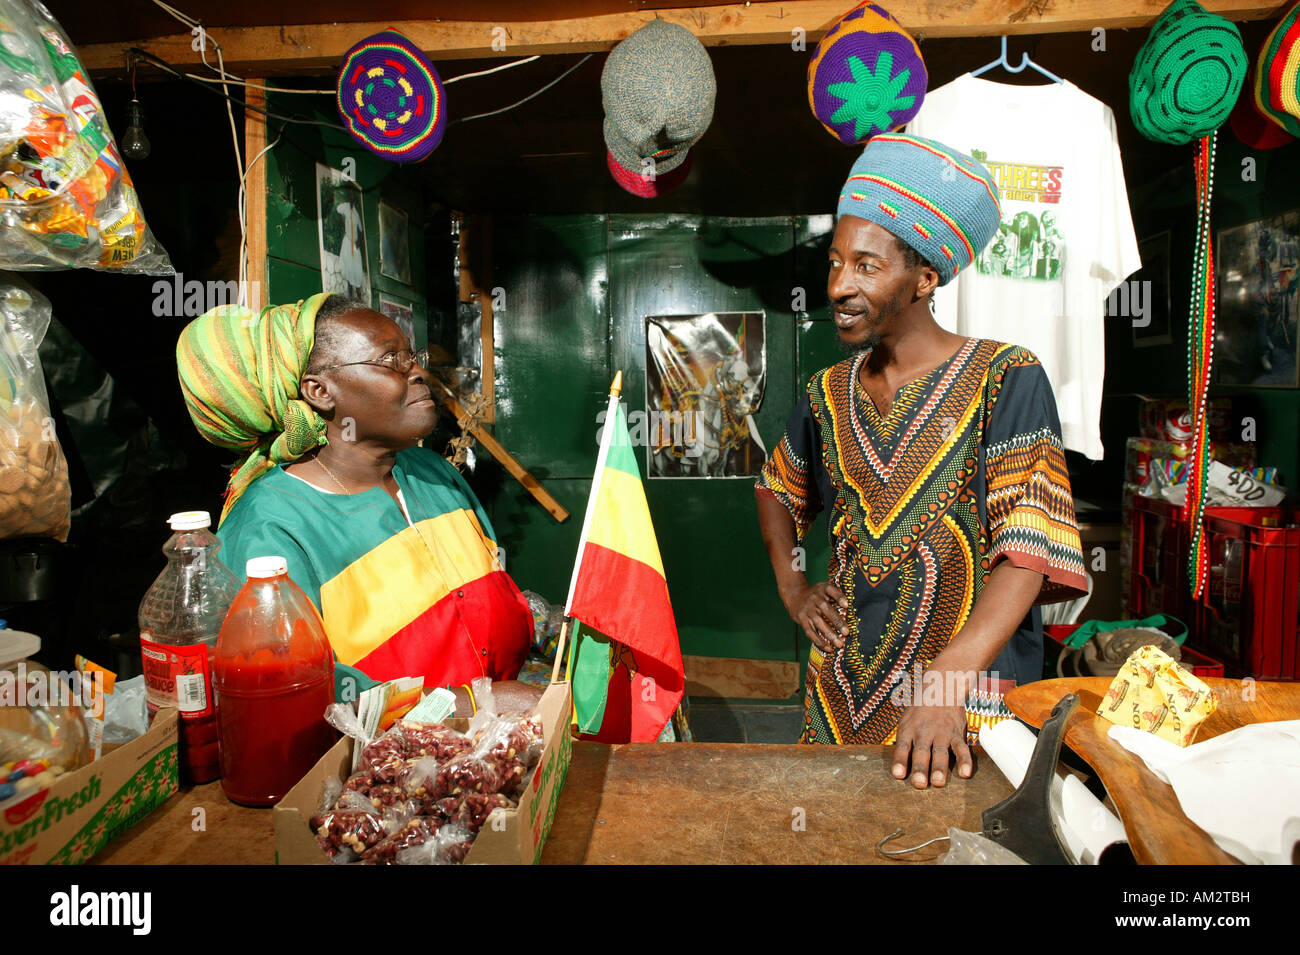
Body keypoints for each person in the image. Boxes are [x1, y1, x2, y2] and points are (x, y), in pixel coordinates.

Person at [755, 134, 1087, 788]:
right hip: (841, 698)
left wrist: (944, 684)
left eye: (867, 267)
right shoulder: (827, 394)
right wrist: (795, 589)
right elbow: (775, 490)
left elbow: (1028, 546)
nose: (840, 285)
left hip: (967, 707)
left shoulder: (1006, 376)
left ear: (925, 278)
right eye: (835, 262)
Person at [176, 292, 537, 717]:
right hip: (383, 774)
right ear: (320, 392)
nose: (418, 372)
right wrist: (473, 704)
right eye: (391, 360)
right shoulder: (268, 528)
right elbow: (291, 696)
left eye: (412, 355)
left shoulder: (434, 475)